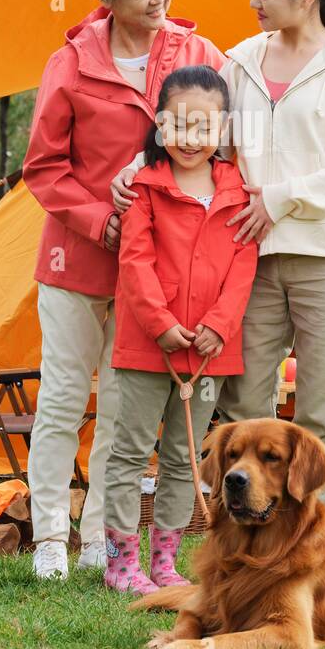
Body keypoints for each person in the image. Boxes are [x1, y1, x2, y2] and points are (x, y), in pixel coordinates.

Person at [113, 0, 325, 519]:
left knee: (320, 413)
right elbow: (204, 138)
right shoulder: (239, 62)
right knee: (243, 408)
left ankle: (312, 542)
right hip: (251, 258)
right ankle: (242, 537)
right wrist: (139, 164)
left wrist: (281, 198)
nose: (254, 3)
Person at [22, 0, 224, 580]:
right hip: (76, 262)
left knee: (119, 406)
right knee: (61, 397)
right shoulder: (70, 63)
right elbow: (43, 167)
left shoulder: (199, 58)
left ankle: (97, 541)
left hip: (155, 273)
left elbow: (229, 148)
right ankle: (48, 534)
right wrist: (94, 219)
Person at [104, 66, 257, 595]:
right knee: (129, 451)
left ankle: (164, 561)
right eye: (179, 125)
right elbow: (135, 261)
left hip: (211, 352)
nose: (191, 139)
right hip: (150, 347)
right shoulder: (144, 188)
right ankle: (121, 561)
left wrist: (218, 326)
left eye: (204, 127)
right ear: (160, 123)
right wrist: (162, 325)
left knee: (183, 456)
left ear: (223, 129)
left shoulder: (238, 191)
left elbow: (243, 267)